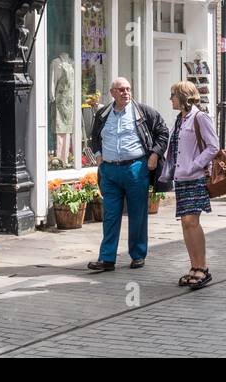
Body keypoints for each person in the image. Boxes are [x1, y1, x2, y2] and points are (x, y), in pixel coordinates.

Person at [88, 77, 170, 272]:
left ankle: (138, 255)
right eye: (121, 89)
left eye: (128, 89)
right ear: (112, 93)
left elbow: (163, 132)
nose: (126, 92)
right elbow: (94, 137)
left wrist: (154, 155)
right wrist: (98, 156)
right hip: (109, 171)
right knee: (110, 215)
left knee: (138, 214)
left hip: (135, 168)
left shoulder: (143, 112)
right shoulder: (103, 114)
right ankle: (107, 258)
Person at [165, 81, 219, 290]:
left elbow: (214, 146)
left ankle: (203, 267)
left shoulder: (200, 117)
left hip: (195, 177)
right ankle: (193, 266)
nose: (170, 99)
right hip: (181, 178)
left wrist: (194, 165)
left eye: (173, 95)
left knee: (192, 220)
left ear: (183, 97)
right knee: (185, 223)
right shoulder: (179, 120)